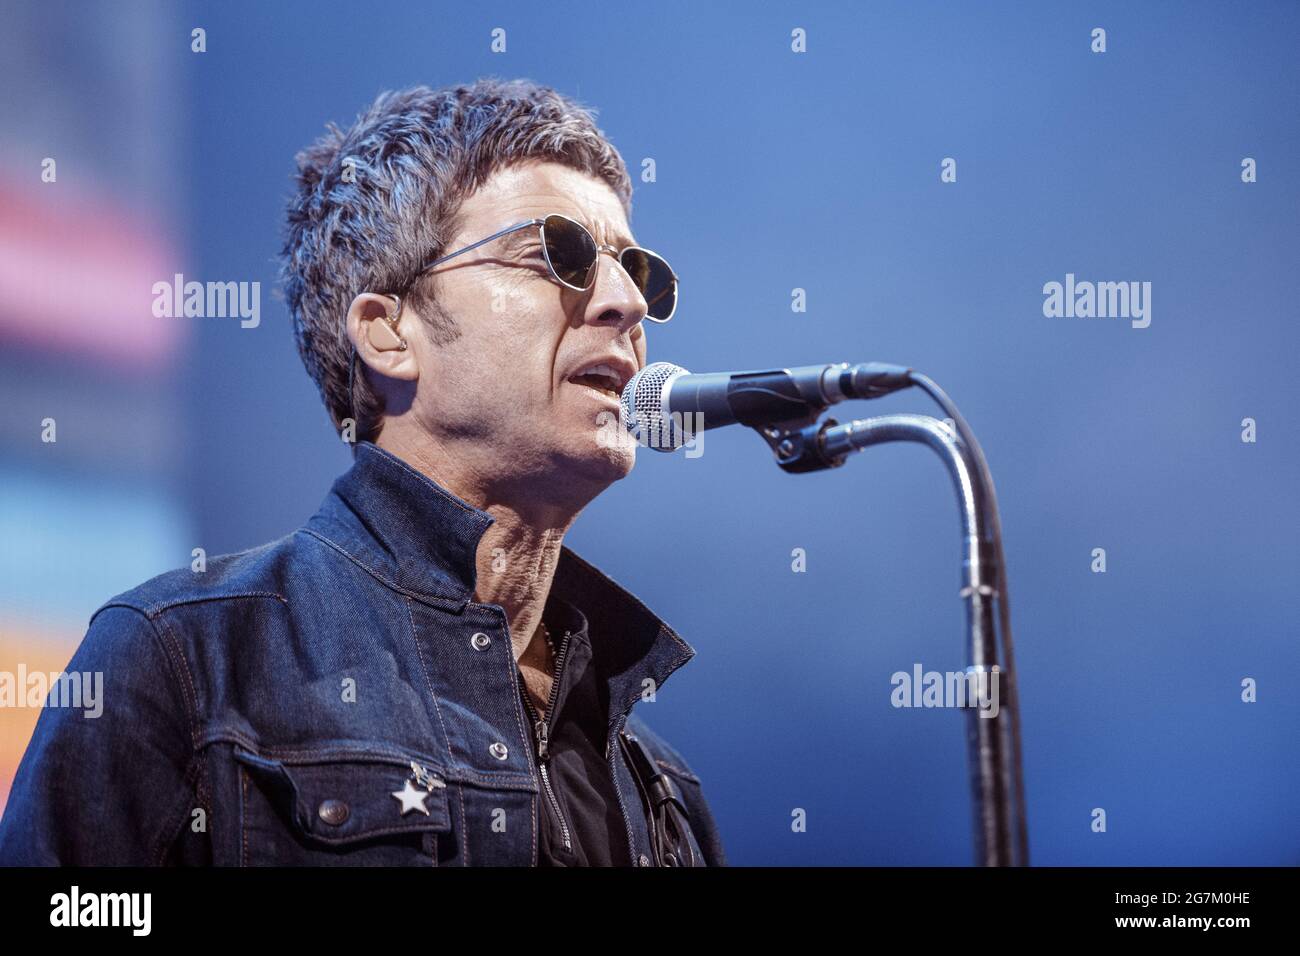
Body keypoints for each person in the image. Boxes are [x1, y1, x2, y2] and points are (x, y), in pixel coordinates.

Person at [0, 78, 725, 867]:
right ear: (388, 336)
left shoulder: (661, 792)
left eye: (637, 270)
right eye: (561, 252)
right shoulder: (181, 663)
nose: (626, 302)